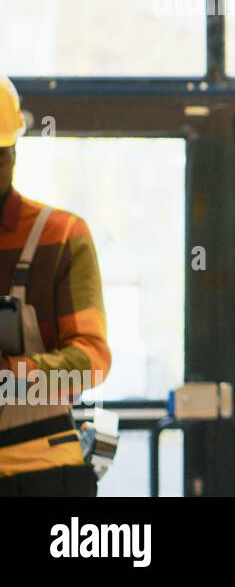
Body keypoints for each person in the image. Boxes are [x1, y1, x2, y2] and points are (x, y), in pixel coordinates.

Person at [0, 76, 111, 496]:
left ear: (14, 153)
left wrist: (11, 376)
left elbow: (92, 361)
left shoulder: (60, 235)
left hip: (38, 473)